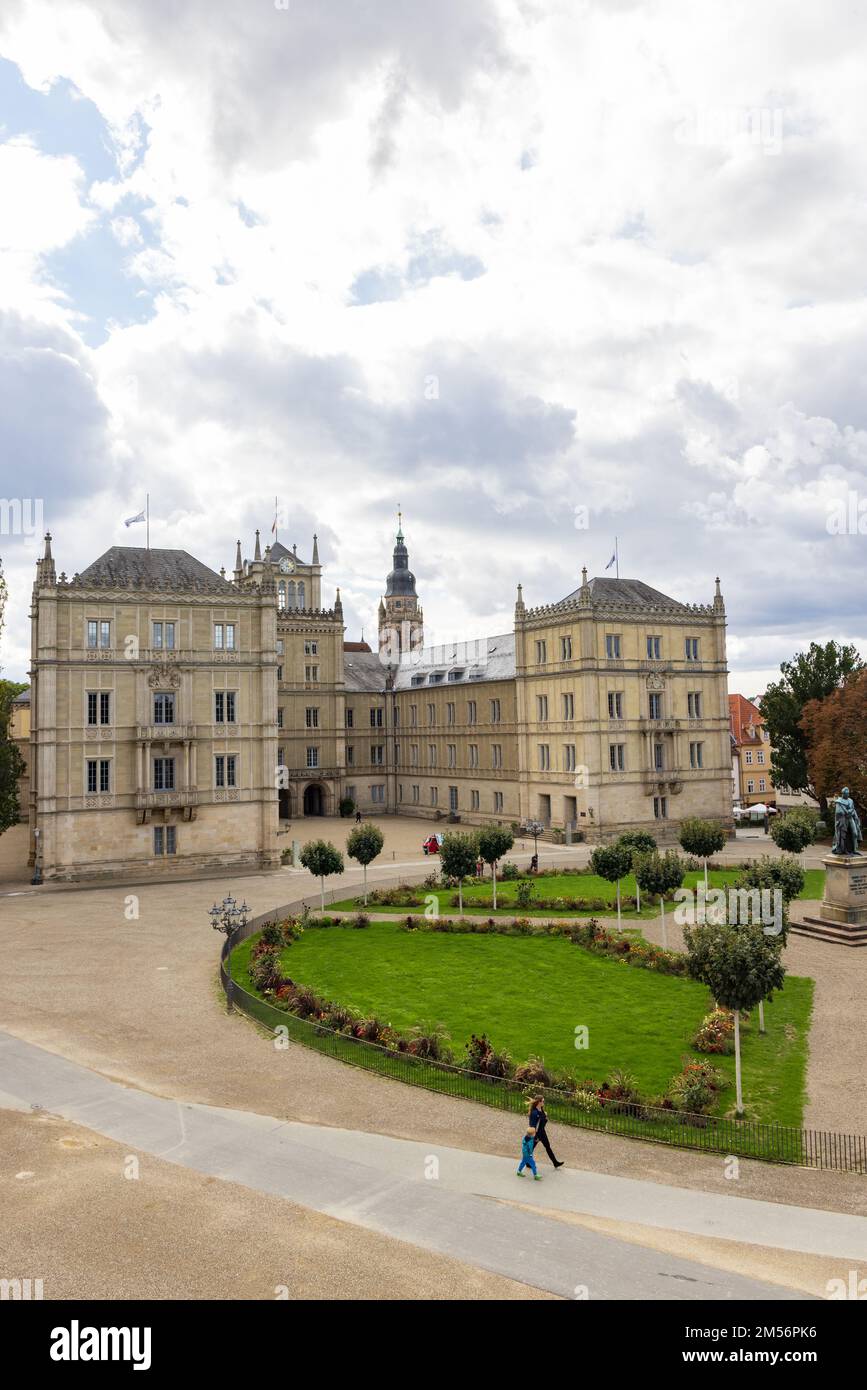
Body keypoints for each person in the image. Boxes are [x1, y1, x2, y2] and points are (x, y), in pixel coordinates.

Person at [529, 1095, 563, 1168]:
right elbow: (532, 1125)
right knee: (531, 1148)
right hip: (537, 1134)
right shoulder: (534, 1113)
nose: (544, 1102)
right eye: (543, 1101)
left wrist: (545, 1117)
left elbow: (542, 1120)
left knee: (548, 1146)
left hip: (542, 1132)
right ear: (539, 1102)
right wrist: (535, 1136)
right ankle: (527, 1162)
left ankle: (555, 1162)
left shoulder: (541, 1110)